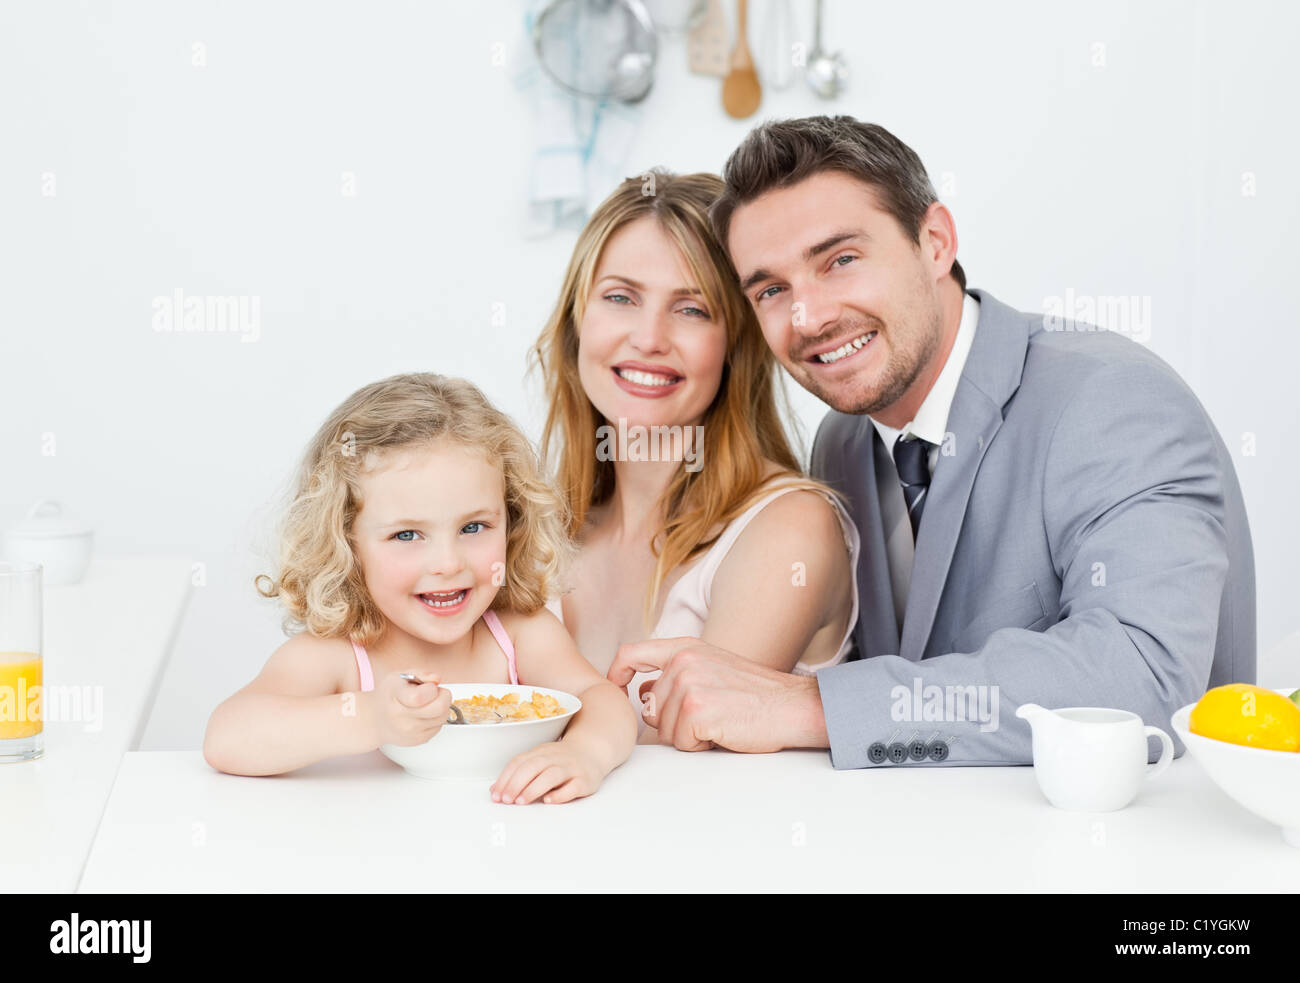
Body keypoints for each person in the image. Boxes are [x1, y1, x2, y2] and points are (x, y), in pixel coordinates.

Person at [608, 116, 1256, 767]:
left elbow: (1141, 676)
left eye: (840, 260)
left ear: (936, 242)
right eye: (772, 289)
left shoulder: (1112, 400)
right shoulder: (842, 441)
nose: (809, 317)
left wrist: (811, 704)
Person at [531, 169, 858, 743]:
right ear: (576, 323)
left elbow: (687, 757)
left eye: (692, 309)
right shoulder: (544, 531)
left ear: (735, 344)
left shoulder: (788, 529)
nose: (650, 338)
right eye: (620, 297)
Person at [204, 373, 636, 802]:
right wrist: (370, 718)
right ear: (346, 543)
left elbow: (600, 698)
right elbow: (229, 736)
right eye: (407, 535)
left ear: (513, 521)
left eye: (473, 526)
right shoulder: (336, 657)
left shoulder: (520, 634)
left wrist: (585, 753)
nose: (448, 564)